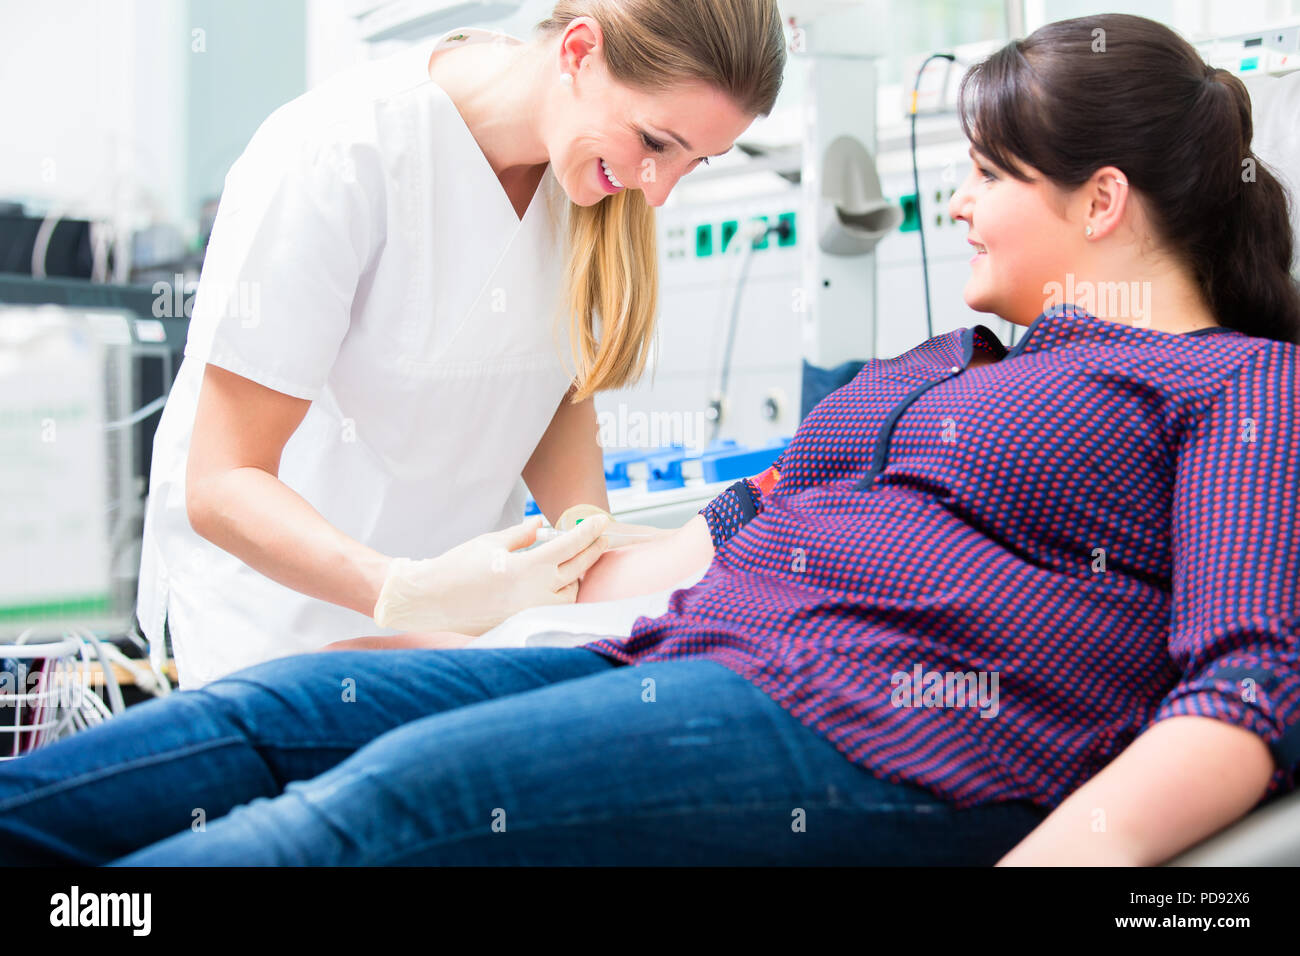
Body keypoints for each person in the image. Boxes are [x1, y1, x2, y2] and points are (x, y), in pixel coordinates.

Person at [2, 12, 1297, 866]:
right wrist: (457, 602)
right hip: (685, 646)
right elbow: (679, 547)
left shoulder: (1240, 382)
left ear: (1104, 199)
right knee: (280, 709)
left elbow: (1248, 680)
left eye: (990, 174)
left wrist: (1090, 853)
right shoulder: (930, 372)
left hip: (870, 716)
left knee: (395, 809)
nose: (952, 202)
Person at [137, 0, 785, 687]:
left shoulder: (585, 182)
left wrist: (585, 529)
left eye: (696, 160)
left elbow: (541, 375)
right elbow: (221, 482)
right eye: (656, 143)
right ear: (578, 53)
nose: (658, 193)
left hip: (463, 630)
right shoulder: (340, 154)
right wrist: (401, 589)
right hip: (280, 623)